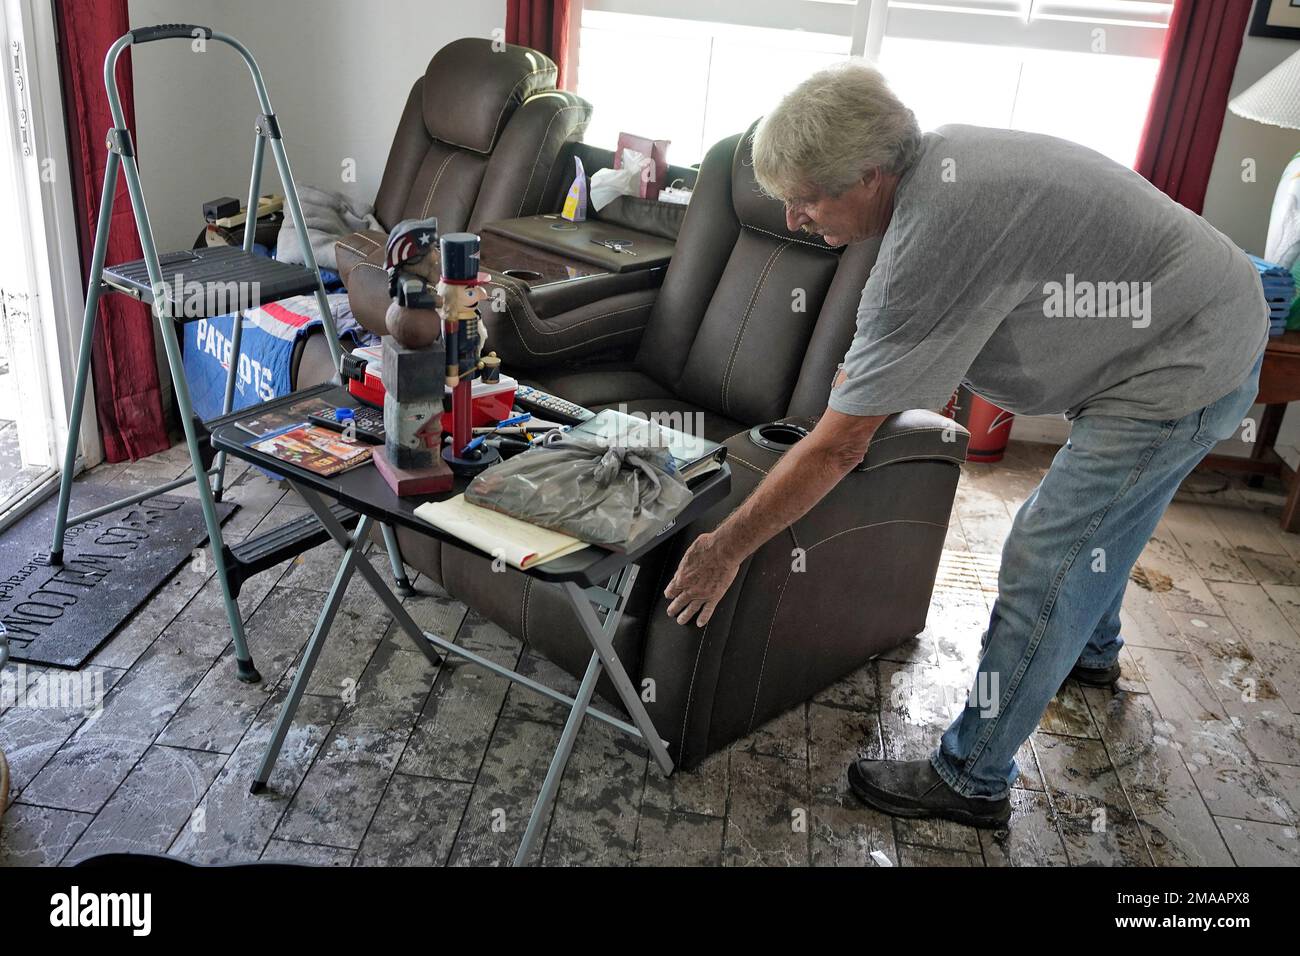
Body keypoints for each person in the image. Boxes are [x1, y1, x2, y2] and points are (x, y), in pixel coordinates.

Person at [662, 62, 1268, 829]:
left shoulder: (936, 229)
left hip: (1185, 360)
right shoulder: (935, 171)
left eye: (807, 197)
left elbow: (837, 448)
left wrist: (725, 548)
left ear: (872, 174)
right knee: (1100, 527)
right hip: (1176, 313)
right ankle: (1088, 650)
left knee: (1045, 557)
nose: (793, 217)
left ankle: (972, 778)